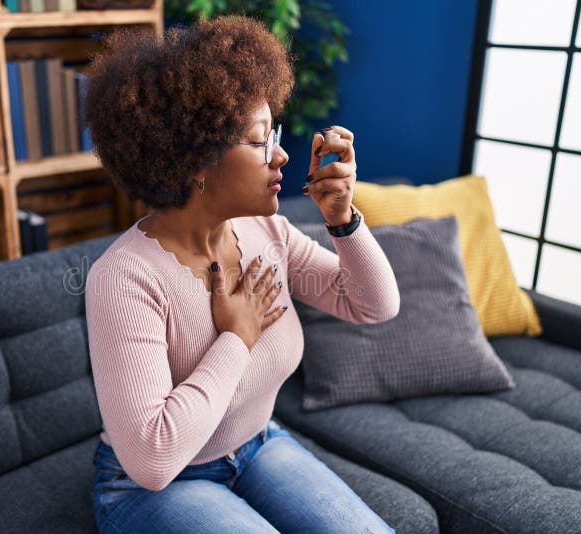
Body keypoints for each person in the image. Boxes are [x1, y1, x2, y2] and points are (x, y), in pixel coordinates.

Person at [84, 15, 400, 533]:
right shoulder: (123, 279)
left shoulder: (265, 233)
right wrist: (237, 335)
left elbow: (373, 304)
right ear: (194, 163)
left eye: (272, 133)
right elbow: (153, 460)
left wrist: (342, 218)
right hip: (152, 487)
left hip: (258, 447)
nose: (281, 155)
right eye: (259, 141)